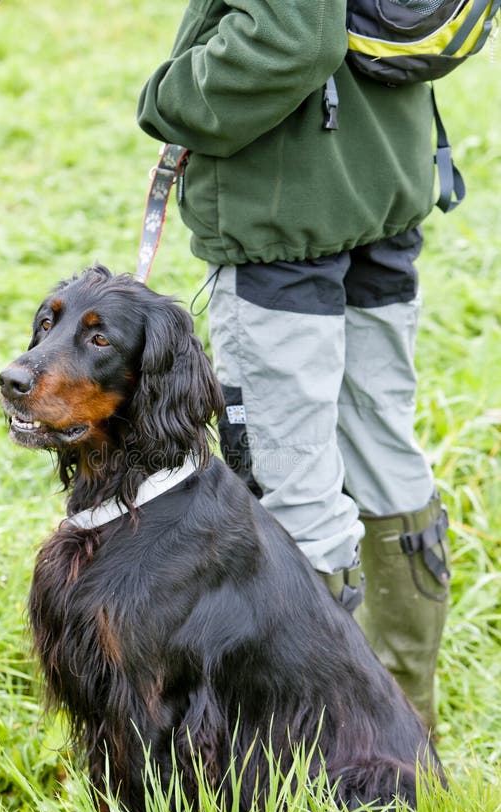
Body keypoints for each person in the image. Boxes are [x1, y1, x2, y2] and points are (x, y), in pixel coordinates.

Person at [137, 2, 449, 731]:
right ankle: (404, 733)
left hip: (285, 207)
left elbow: (293, 36)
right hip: (384, 177)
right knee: (386, 456)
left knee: (292, 486)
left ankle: (319, 760)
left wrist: (171, 98)